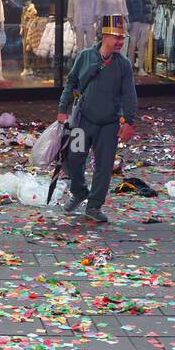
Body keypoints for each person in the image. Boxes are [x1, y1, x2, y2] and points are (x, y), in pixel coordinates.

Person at [56, 20, 138, 224]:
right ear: (105, 36)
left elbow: (129, 94)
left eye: (122, 37)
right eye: (117, 37)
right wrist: (62, 109)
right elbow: (71, 82)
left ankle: (94, 205)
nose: (120, 41)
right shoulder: (85, 56)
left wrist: (129, 121)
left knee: (104, 166)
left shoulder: (123, 65)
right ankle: (79, 191)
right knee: (73, 160)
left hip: (109, 124)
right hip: (82, 119)